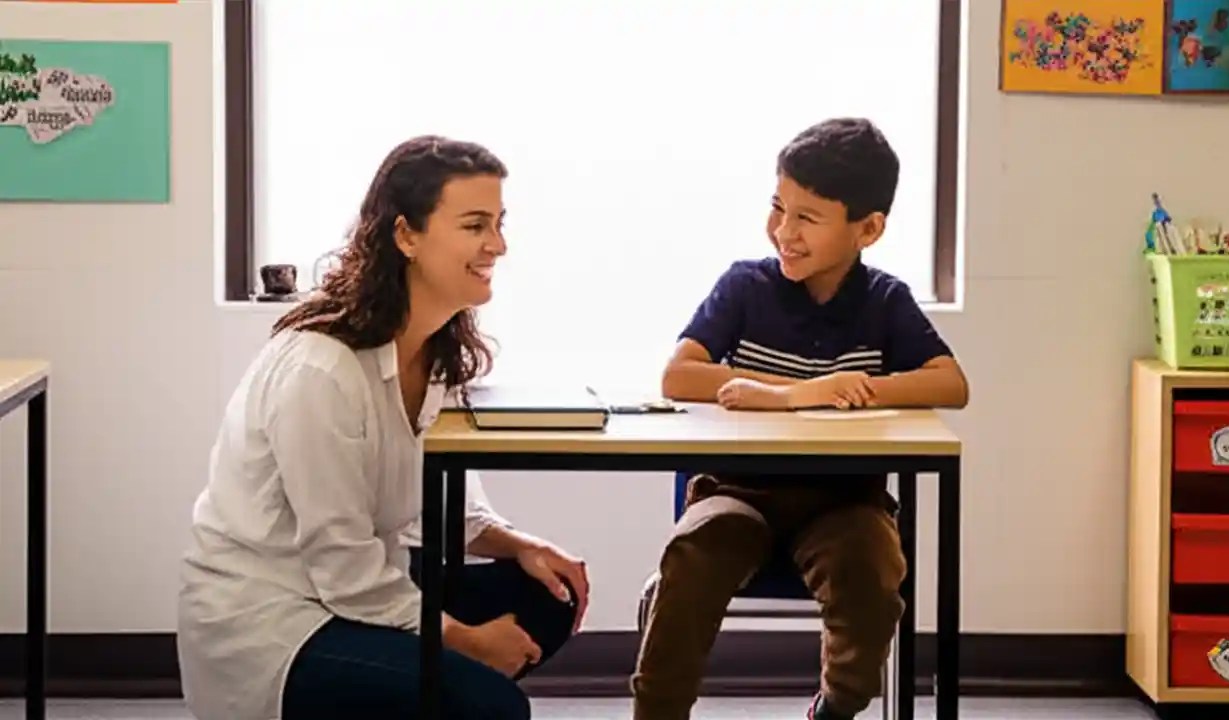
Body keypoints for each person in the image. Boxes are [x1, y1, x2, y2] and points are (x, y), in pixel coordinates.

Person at [177, 135, 590, 720]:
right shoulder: (320, 371)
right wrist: (463, 642)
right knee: (491, 706)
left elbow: (442, 508)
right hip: (275, 617)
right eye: (475, 225)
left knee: (547, 594)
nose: (497, 244)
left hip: (350, 585)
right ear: (405, 236)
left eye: (499, 223)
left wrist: (520, 544)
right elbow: (343, 566)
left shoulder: (433, 351)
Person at [630, 118, 969, 720]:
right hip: (736, 495)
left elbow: (951, 384)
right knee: (692, 554)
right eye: (778, 207)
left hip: (844, 504)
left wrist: (850, 391)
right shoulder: (745, 286)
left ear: (868, 229)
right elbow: (679, 375)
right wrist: (801, 394)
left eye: (806, 218)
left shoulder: (884, 300)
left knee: (872, 574)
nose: (783, 231)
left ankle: (835, 709)